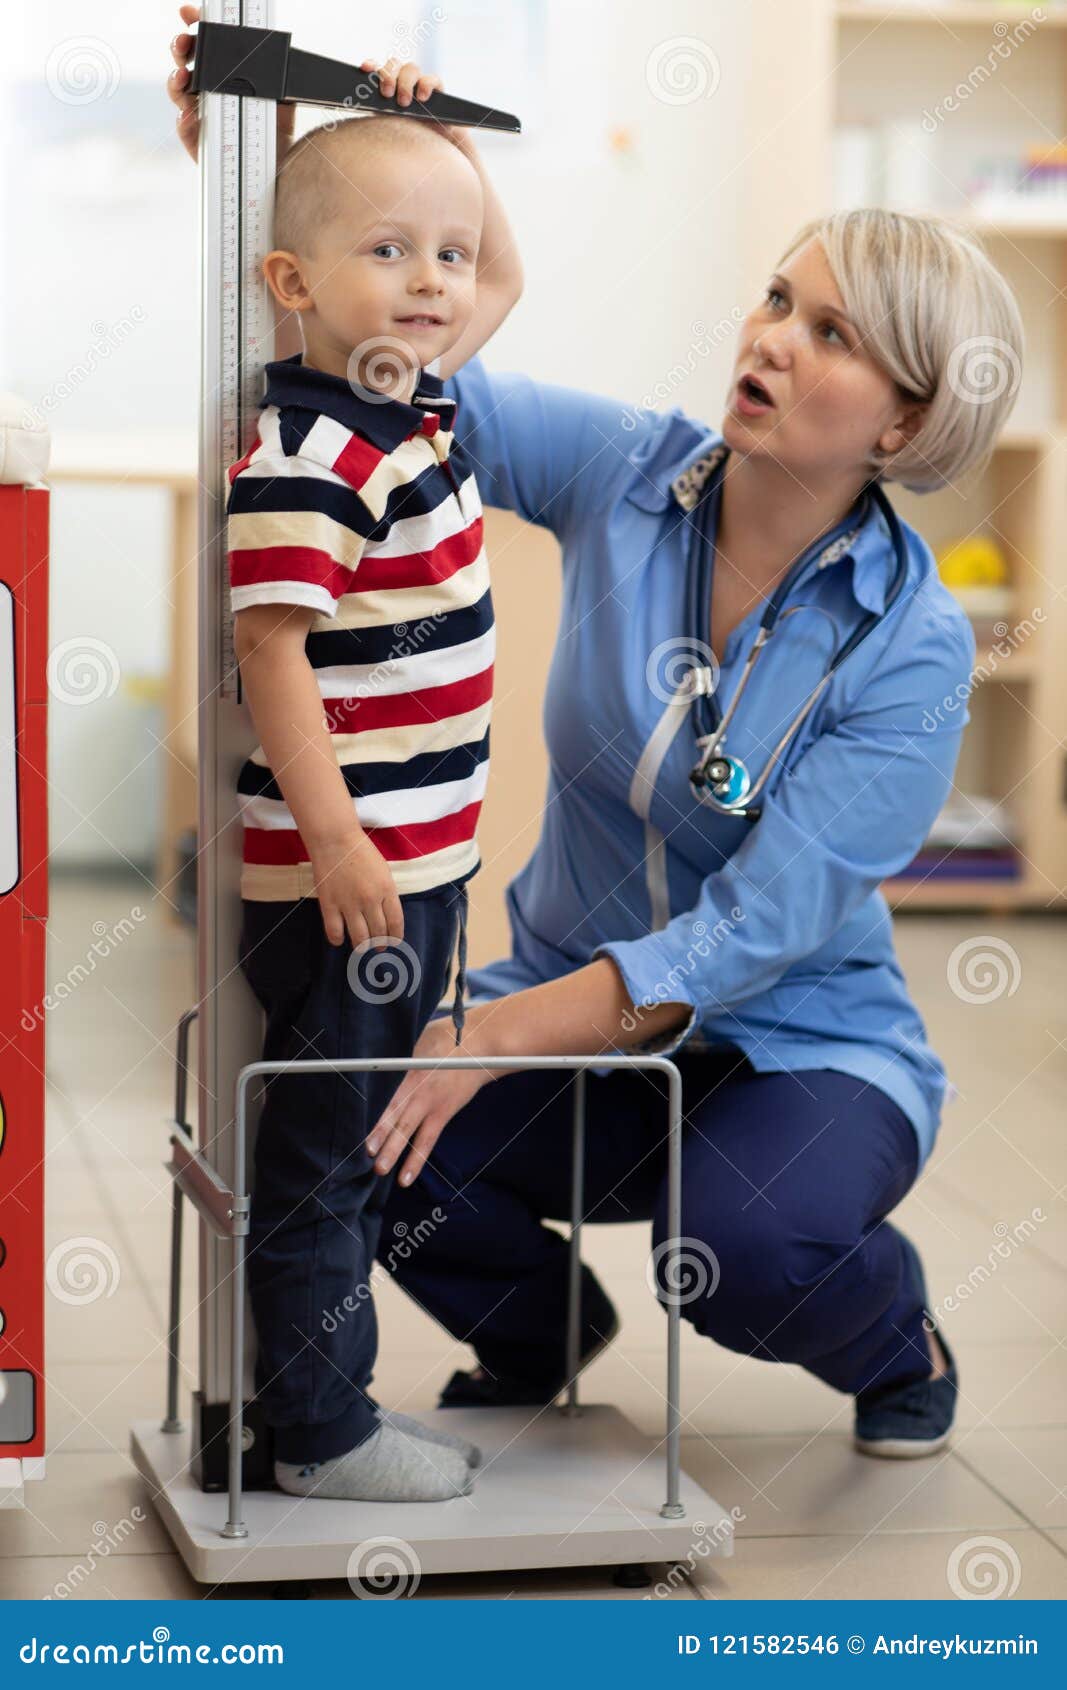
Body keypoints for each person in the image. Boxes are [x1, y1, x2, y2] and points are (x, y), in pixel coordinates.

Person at [169, 15, 1022, 1462]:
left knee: (736, 1245)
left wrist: (488, 1035)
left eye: (830, 337)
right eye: (775, 299)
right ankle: (540, 1328)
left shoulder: (916, 642)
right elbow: (392, 367)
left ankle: (898, 1333)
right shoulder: (633, 470)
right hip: (573, 1000)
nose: (768, 340)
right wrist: (270, 167)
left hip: (796, 1045)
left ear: (907, 418)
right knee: (361, 1138)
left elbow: (747, 939)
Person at [192, 38, 523, 1500]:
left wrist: (440, 133)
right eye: (391, 252)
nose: (441, 280)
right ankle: (321, 1436)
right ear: (295, 284)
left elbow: (503, 273)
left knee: (360, 1129)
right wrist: (337, 843)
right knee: (329, 1150)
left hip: (412, 867)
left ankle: (332, 1410)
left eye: (444, 253)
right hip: (353, 876)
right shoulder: (311, 450)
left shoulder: (413, 397)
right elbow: (271, 655)